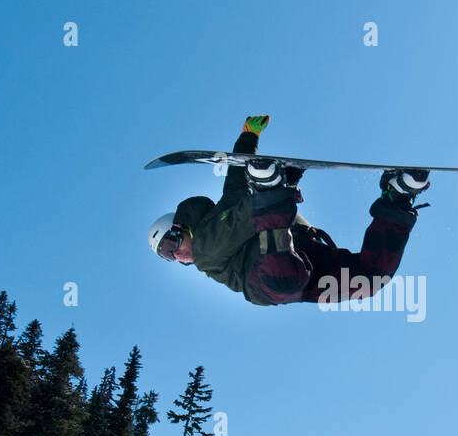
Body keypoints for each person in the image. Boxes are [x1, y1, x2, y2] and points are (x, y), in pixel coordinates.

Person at [147, 115, 429, 309]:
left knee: (273, 275)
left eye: (171, 243)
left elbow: (237, 169)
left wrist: (249, 134)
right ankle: (397, 198)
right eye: (167, 255)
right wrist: (273, 183)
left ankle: (271, 191)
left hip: (278, 266)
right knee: (371, 280)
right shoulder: (212, 245)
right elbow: (240, 172)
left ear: (183, 226)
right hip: (290, 271)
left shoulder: (208, 242)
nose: (176, 254)